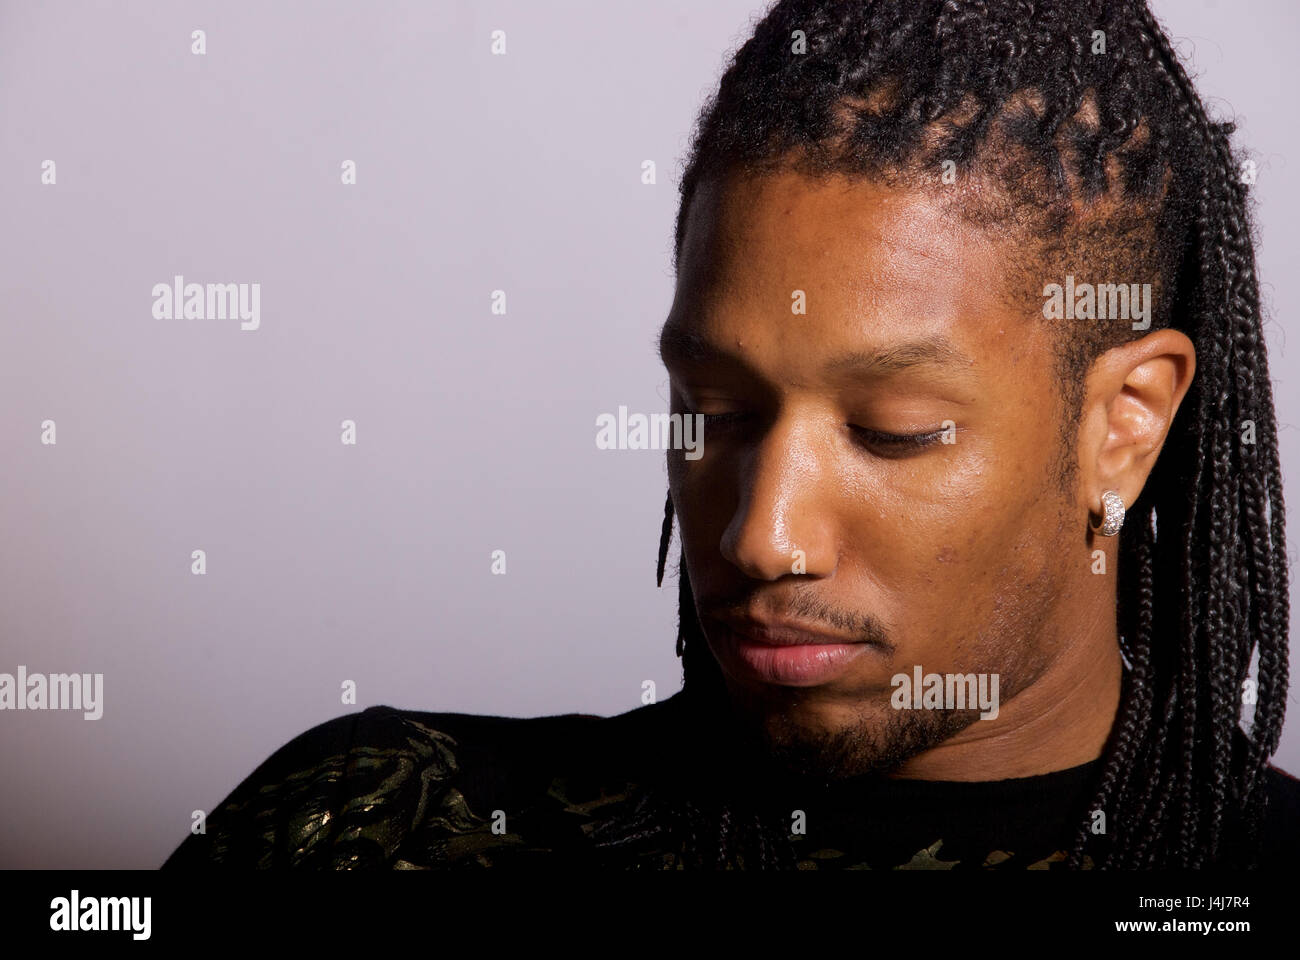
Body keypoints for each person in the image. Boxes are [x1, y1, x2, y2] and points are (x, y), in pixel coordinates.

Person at [163, 0, 1298, 870]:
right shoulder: (388, 827)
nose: (762, 538)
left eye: (891, 430)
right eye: (714, 412)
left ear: (1123, 427)